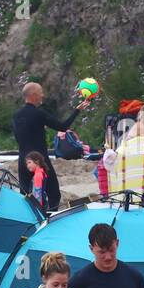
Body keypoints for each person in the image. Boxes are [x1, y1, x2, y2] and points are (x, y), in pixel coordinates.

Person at [12, 81, 90, 210]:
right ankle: (49, 219)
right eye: (41, 92)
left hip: (23, 161)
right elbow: (63, 126)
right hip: (40, 160)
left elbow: (19, 137)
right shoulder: (38, 114)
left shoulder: (16, 116)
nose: (43, 95)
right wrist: (77, 110)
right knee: (54, 195)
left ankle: (32, 222)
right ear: (34, 95)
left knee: (26, 197)